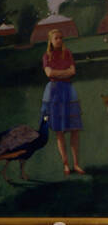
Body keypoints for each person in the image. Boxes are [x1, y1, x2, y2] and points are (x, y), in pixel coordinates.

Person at [41, 28, 85, 175]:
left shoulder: (67, 53)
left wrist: (58, 74)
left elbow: (72, 71)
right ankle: (66, 164)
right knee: (59, 131)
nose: (59, 40)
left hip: (68, 91)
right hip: (54, 93)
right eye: (56, 38)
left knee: (74, 129)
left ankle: (76, 163)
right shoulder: (47, 56)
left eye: (61, 38)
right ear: (51, 41)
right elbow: (49, 73)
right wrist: (63, 73)